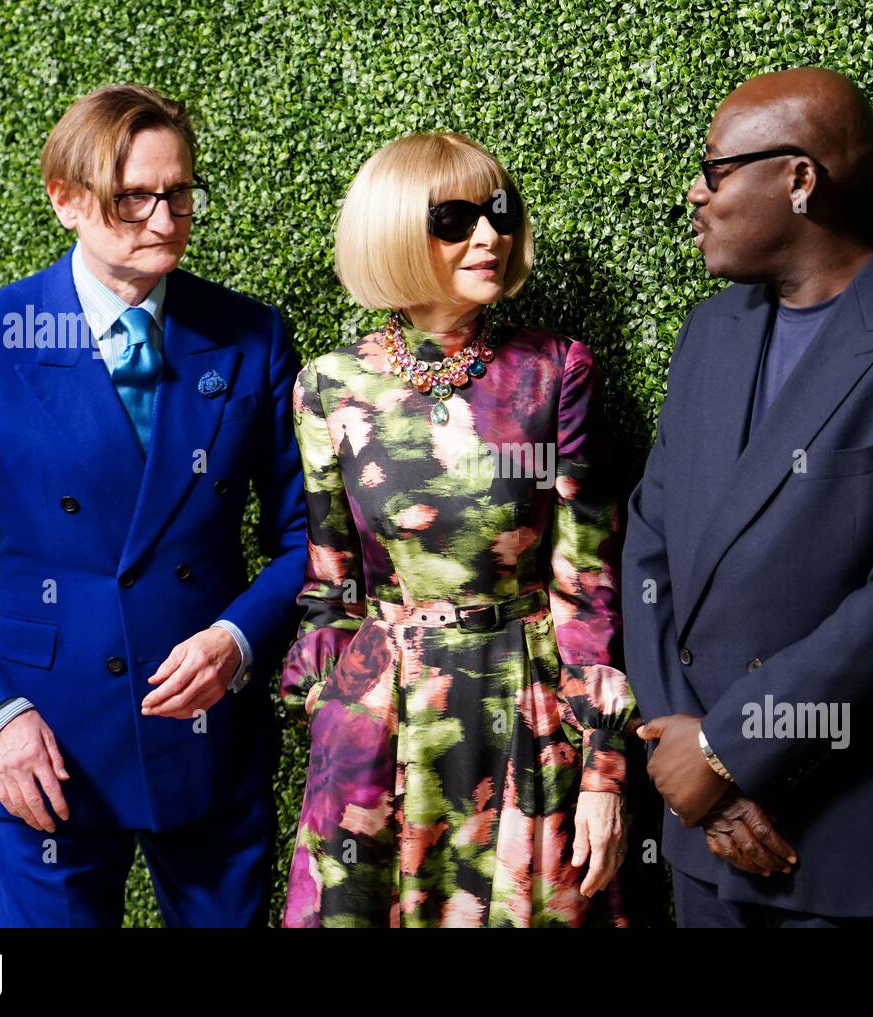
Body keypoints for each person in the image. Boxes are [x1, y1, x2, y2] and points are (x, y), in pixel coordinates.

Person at [0, 83, 308, 927]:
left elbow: (306, 540)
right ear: (64, 200)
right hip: (43, 748)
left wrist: (238, 637)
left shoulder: (253, 334)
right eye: (133, 196)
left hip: (208, 735)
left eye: (179, 193)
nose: (166, 217)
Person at [623, 67, 873, 927]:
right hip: (702, 841)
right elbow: (650, 537)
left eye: (715, 169)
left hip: (859, 853)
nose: (695, 193)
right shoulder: (710, 330)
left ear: (800, 178)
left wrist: (727, 750)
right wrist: (683, 757)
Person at [281, 131, 636, 927]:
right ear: (397, 229)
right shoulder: (329, 387)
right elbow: (330, 578)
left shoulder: (554, 371)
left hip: (524, 709)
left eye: (498, 213)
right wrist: (330, 707)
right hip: (379, 724)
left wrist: (605, 767)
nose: (489, 236)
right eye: (455, 219)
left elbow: (587, 582)